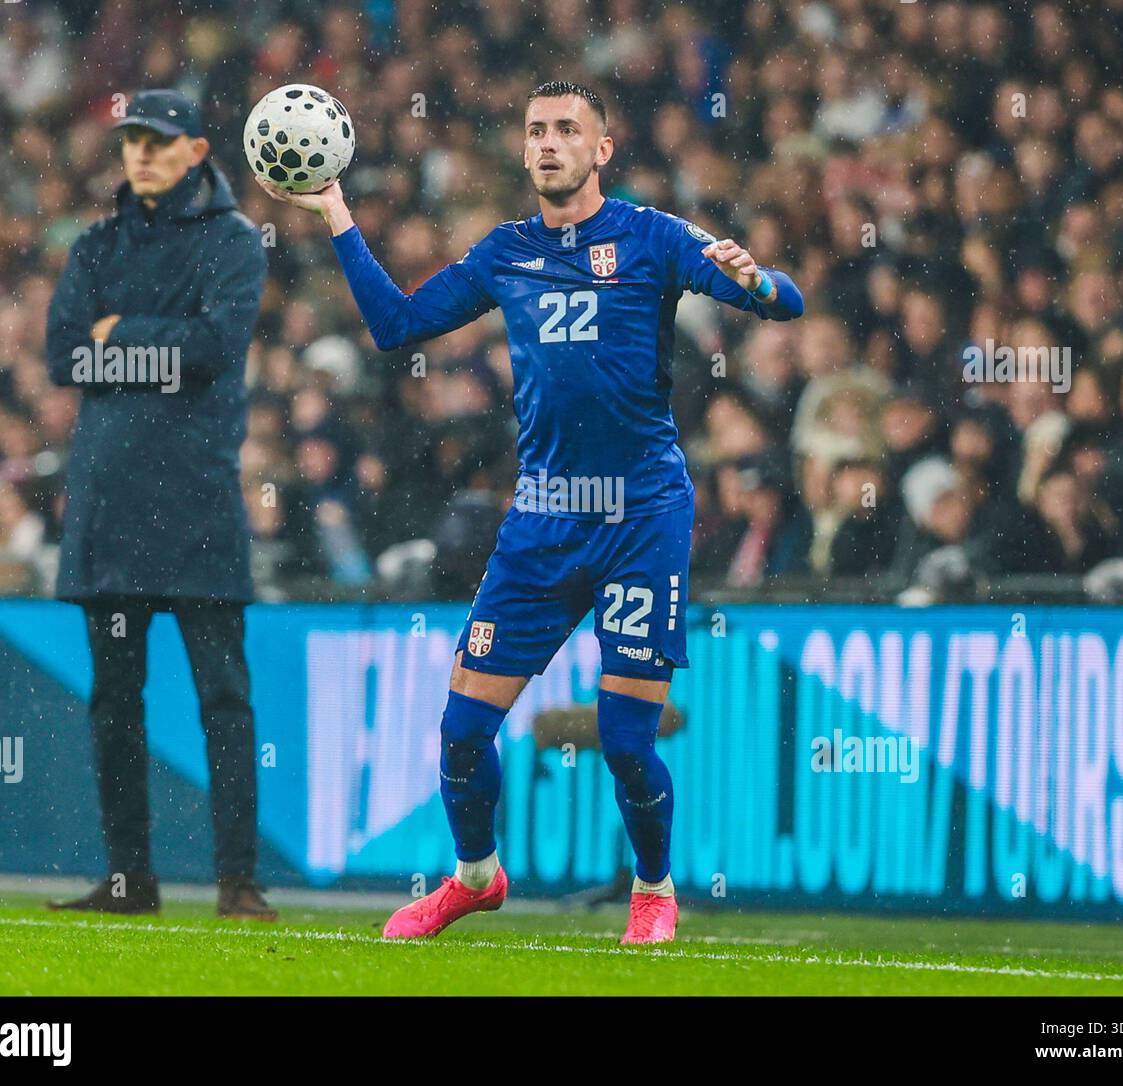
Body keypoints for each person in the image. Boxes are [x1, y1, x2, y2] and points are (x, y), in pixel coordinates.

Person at [258, 80, 804, 944]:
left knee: (627, 738)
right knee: (463, 733)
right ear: (523, 151)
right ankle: (476, 878)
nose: (549, 143)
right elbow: (398, 327)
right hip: (542, 524)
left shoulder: (653, 237)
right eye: (536, 131)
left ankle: (654, 891)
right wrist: (334, 211)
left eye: (566, 130)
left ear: (602, 149)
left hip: (642, 520)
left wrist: (760, 281)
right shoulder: (504, 252)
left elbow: (781, 302)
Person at [44, 90, 274, 920]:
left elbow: (214, 349)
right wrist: (148, 343)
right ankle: (128, 881)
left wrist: (120, 336)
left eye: (157, 141)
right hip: (109, 509)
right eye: (131, 141)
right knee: (115, 703)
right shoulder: (97, 242)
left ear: (196, 150)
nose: (140, 153)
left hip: (198, 507)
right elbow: (64, 358)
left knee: (224, 700)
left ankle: (237, 883)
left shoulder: (235, 242)